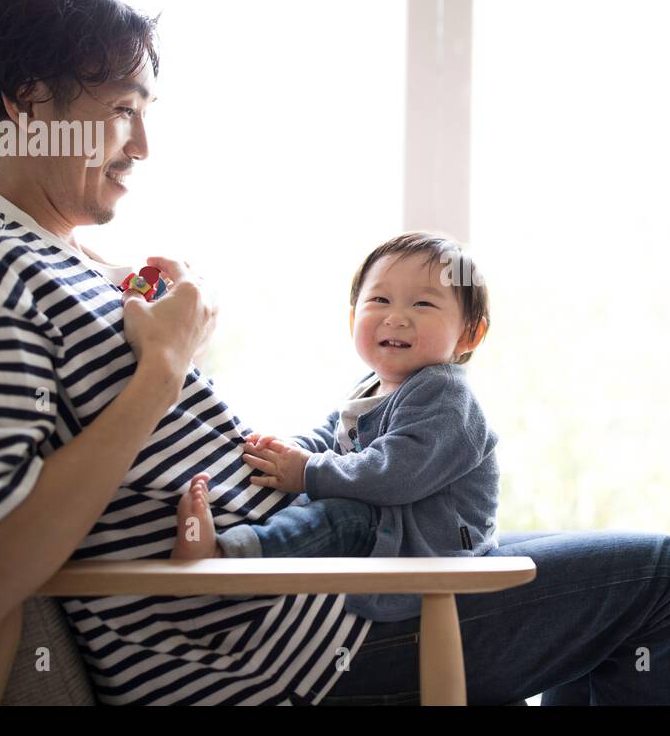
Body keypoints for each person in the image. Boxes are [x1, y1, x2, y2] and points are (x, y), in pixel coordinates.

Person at [0, 0, 670, 705]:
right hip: (293, 643)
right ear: (27, 104)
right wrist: (161, 373)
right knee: (666, 581)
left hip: (314, 586)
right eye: (122, 112)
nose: (142, 146)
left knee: (602, 573)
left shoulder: (57, 260)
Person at [173, 231, 500, 623]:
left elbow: (394, 474)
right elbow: (332, 437)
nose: (396, 317)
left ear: (469, 334)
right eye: (380, 300)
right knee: (309, 504)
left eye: (423, 303)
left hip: (431, 554)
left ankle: (223, 561)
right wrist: (285, 451)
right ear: (353, 317)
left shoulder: (446, 395)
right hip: (388, 535)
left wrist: (306, 469)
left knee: (340, 516)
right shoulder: (372, 385)